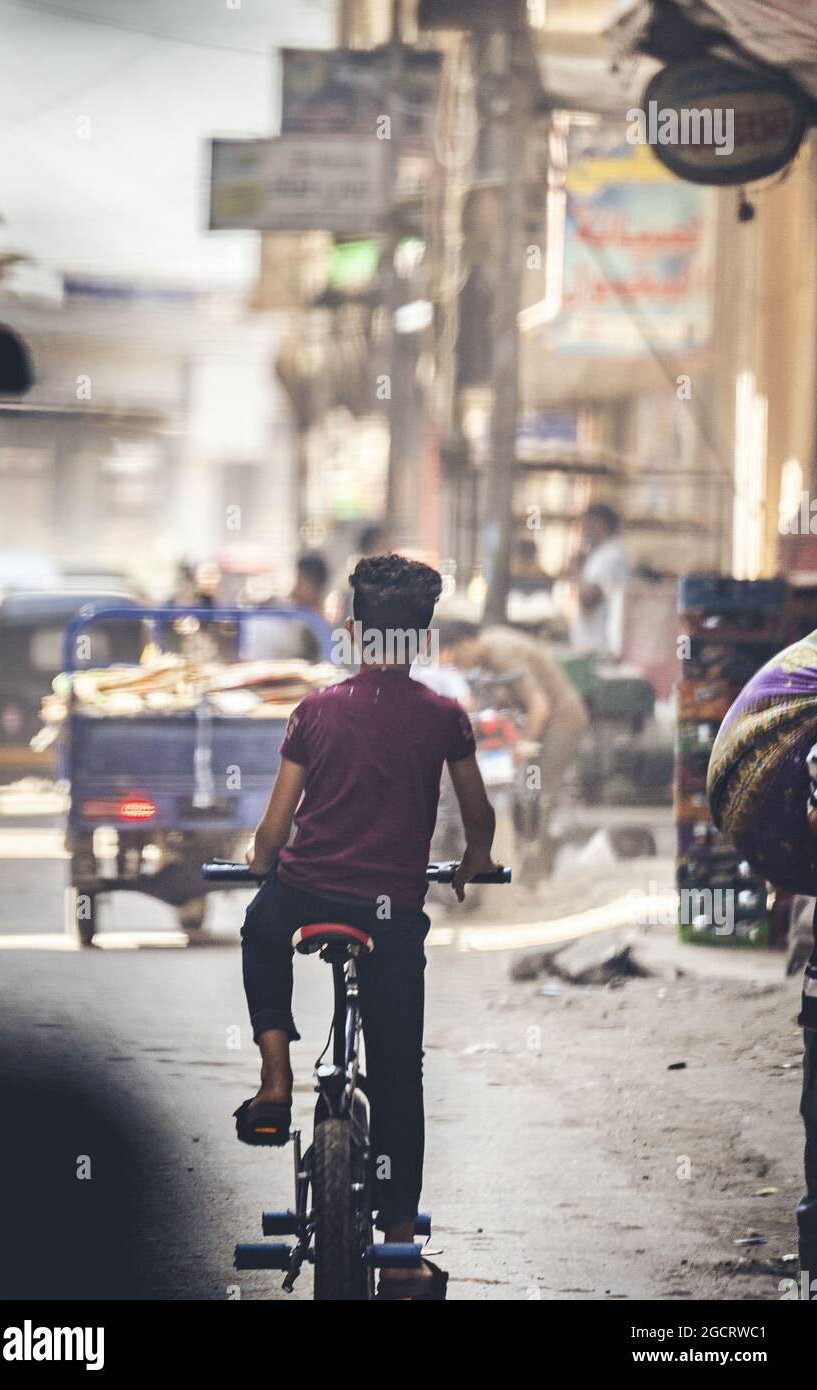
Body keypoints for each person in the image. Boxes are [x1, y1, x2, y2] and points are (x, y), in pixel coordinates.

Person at [237, 554, 498, 1300]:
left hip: (307, 891)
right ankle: (401, 1246)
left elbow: (274, 830)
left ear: (352, 634)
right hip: (391, 913)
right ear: (420, 642)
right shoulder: (445, 717)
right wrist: (475, 860)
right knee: (398, 1072)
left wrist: (260, 862)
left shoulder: (315, 712)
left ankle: (277, 1081)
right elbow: (477, 817)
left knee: (260, 927)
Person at [438, 620, 588, 864]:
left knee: (538, 790)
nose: (456, 666)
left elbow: (539, 706)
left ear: (467, 643)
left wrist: (520, 746)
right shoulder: (488, 650)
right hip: (543, 720)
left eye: (456, 658)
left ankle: (536, 866)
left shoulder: (502, 653)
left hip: (562, 721)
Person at [569, 503, 630, 657]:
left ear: (599, 525)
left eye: (585, 525)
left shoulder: (609, 556)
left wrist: (576, 571)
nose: (583, 532)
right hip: (590, 646)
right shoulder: (600, 554)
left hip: (598, 648)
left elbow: (588, 598)